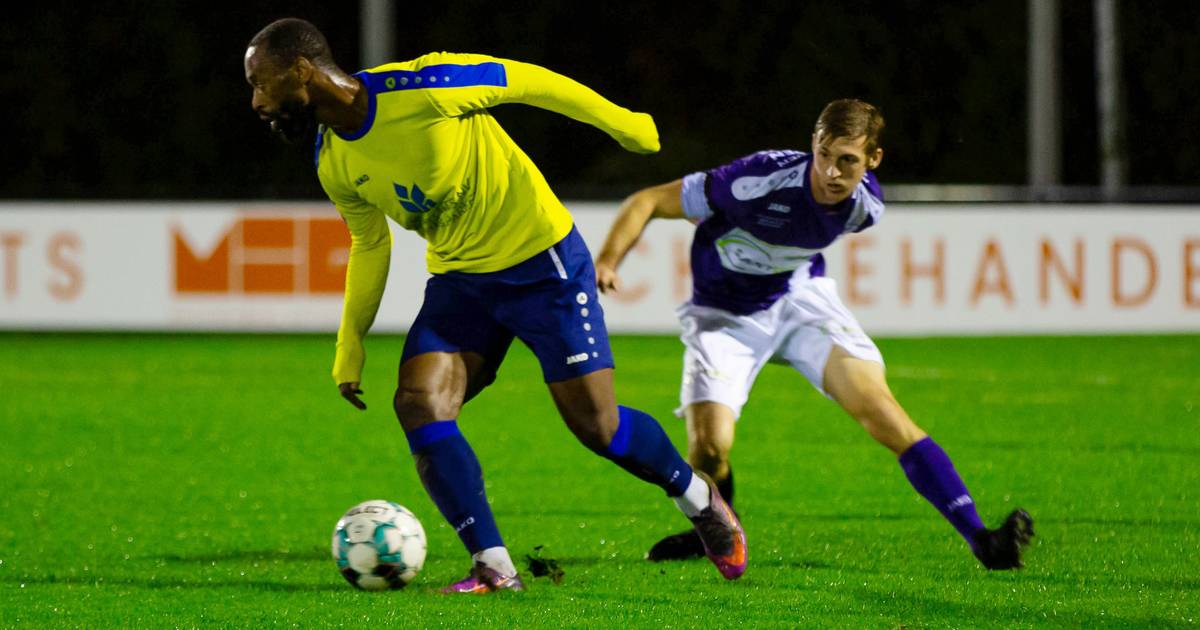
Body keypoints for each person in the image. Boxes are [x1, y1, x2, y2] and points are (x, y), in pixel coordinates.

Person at [243, 18, 746, 593]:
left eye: (261, 83)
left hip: (543, 265)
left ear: (302, 70)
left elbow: (526, 81)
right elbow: (369, 242)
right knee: (418, 402)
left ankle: (700, 499)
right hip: (461, 282)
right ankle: (494, 564)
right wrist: (350, 344)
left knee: (598, 427)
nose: (257, 100)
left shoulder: (424, 86)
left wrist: (623, 124)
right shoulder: (330, 157)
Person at [594, 99, 1034, 570]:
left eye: (847, 160)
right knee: (710, 448)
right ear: (813, 145)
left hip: (799, 302)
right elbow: (647, 201)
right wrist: (609, 260)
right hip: (722, 316)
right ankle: (721, 524)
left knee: (882, 413)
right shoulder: (755, 178)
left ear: (873, 161)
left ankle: (980, 538)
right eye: (824, 154)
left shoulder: (866, 207)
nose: (831, 171)